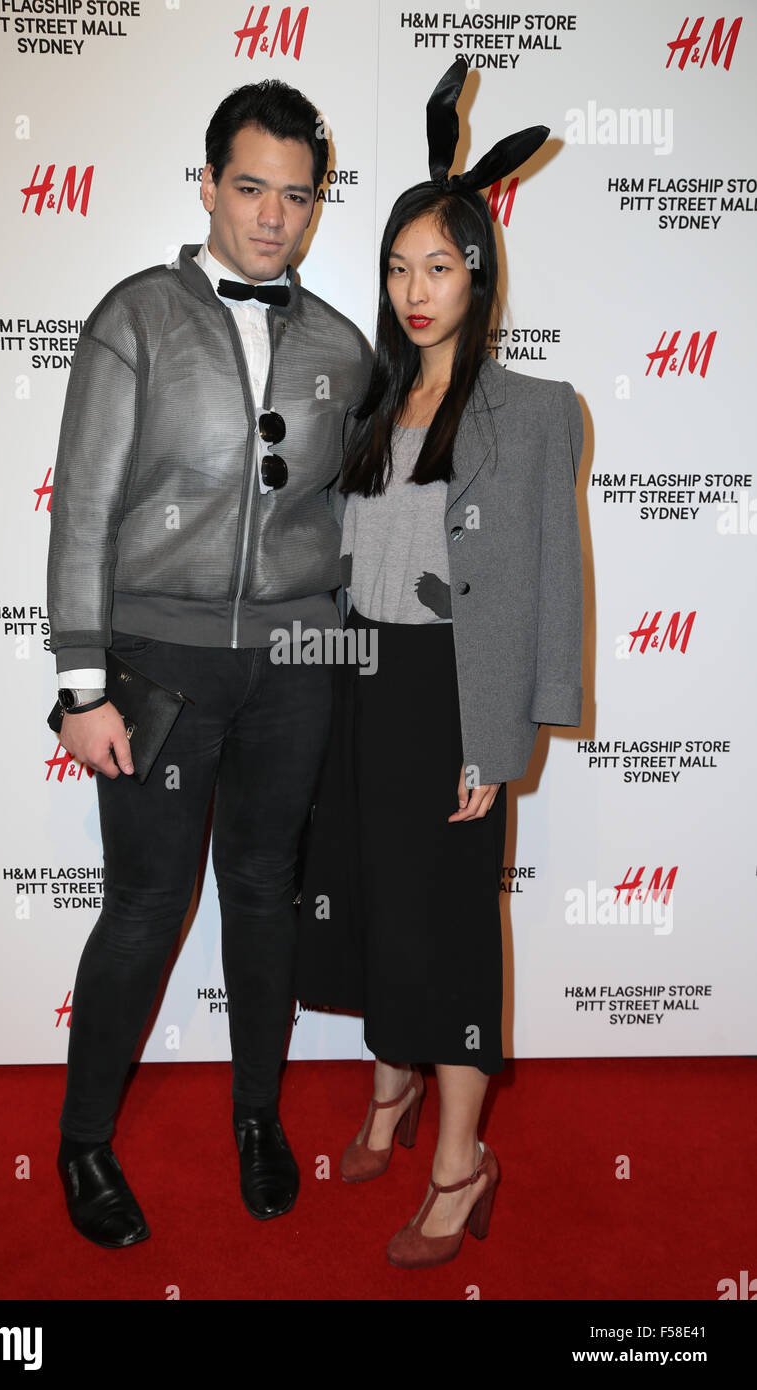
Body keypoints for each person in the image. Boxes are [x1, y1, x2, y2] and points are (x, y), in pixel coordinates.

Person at [46, 78, 371, 1246]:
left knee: (261, 895)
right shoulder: (134, 317)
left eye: (297, 196)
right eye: (251, 189)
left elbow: (365, 517)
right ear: (208, 187)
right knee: (140, 909)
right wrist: (81, 683)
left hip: (294, 667)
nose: (274, 218)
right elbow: (80, 508)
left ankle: (254, 1117)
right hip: (158, 672)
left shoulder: (342, 344)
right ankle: (83, 1141)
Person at [295, 57, 585, 1268]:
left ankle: (462, 1167)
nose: (417, 290)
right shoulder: (366, 399)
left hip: (450, 697)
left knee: (450, 932)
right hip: (355, 686)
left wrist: (503, 740)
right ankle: (389, 1091)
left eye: (441, 266)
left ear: (480, 270)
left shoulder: (533, 410)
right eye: (398, 268)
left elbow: (551, 586)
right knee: (371, 913)